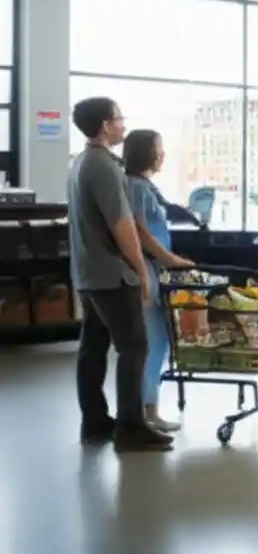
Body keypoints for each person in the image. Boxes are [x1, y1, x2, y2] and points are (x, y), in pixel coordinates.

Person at [69, 97, 173, 452]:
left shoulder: (80, 161)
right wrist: (141, 269)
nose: (123, 126)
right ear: (103, 126)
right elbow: (123, 224)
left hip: (87, 271)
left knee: (93, 348)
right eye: (118, 119)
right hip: (112, 274)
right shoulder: (104, 166)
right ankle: (131, 425)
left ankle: (95, 421)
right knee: (135, 345)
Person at [122, 129, 194, 433]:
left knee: (159, 341)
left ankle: (149, 408)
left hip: (155, 270)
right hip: (147, 271)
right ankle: (144, 412)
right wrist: (170, 259)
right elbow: (139, 231)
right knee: (153, 343)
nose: (162, 155)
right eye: (158, 149)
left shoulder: (146, 186)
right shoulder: (136, 187)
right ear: (146, 153)